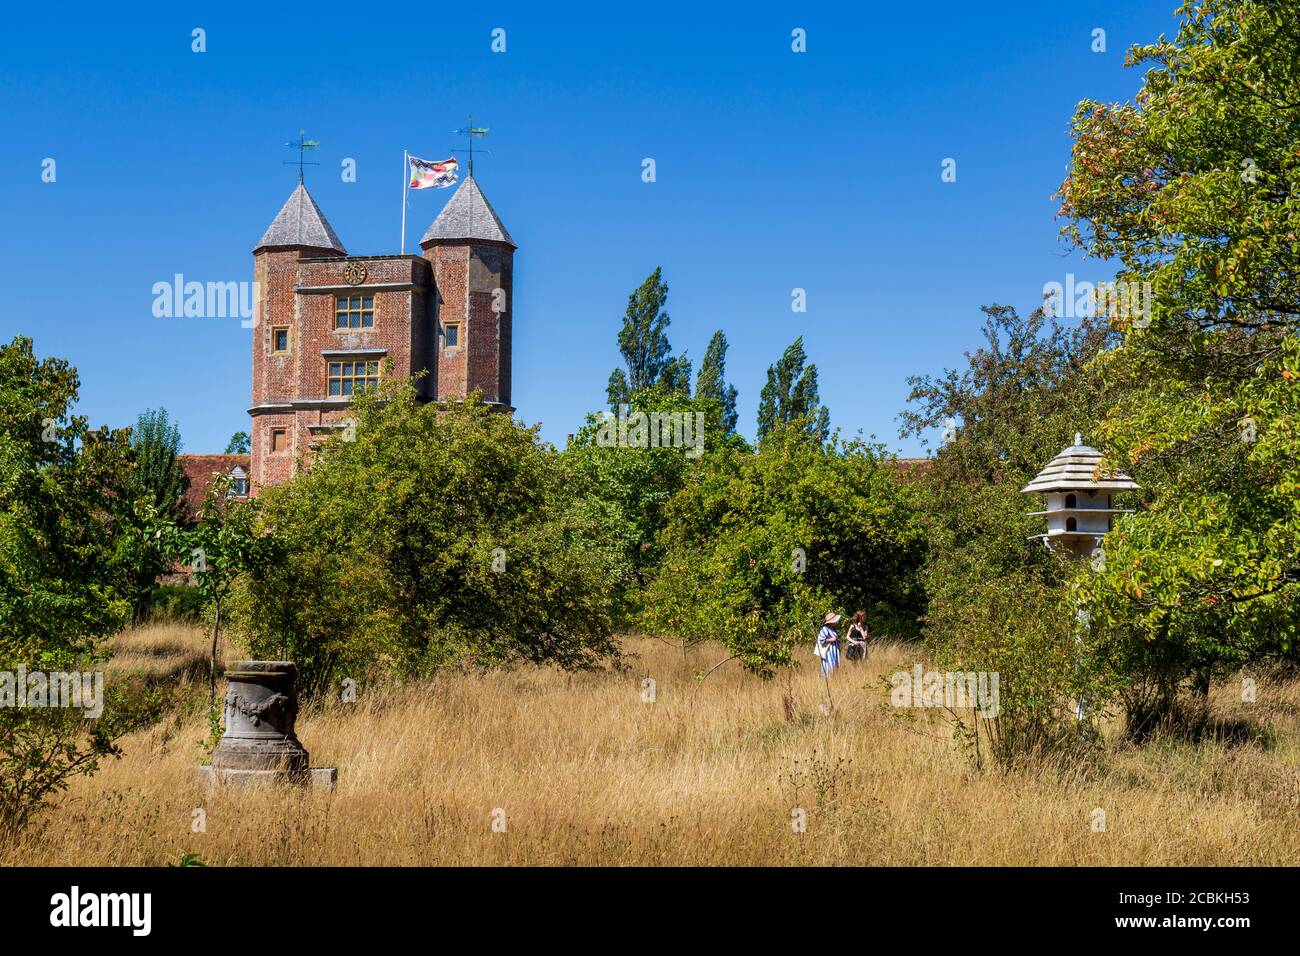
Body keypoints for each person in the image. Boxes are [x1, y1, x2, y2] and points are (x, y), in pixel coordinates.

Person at [816, 612, 842, 676]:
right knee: (828, 665)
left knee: (835, 665)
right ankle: (827, 678)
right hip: (829, 651)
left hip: (835, 650)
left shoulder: (833, 629)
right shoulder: (825, 629)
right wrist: (831, 640)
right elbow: (821, 640)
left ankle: (834, 679)